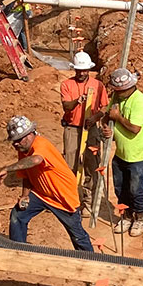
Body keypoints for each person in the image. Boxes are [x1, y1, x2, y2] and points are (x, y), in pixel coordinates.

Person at [0, 116, 94, 252]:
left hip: (62, 196)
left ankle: (90, 259)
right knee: (18, 215)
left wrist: (7, 168)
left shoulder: (41, 144)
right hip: (41, 194)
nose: (15, 144)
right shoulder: (23, 150)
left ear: (30, 134)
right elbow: (26, 173)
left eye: (18, 140)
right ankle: (18, 252)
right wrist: (24, 196)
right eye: (14, 141)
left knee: (77, 235)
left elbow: (35, 160)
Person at [105, 68, 143, 236]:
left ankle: (140, 216)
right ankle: (126, 215)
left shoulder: (140, 100)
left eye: (120, 91)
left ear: (130, 87)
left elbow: (134, 128)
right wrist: (107, 127)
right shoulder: (117, 97)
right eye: (115, 90)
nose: (117, 93)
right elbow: (108, 115)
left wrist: (118, 117)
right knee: (120, 188)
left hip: (138, 155)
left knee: (135, 189)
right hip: (121, 153)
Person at [59, 51, 107, 193]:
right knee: (70, 164)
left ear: (89, 69)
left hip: (91, 129)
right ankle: (72, 195)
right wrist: (77, 101)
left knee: (92, 164)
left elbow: (105, 107)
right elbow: (66, 106)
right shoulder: (67, 85)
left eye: (84, 70)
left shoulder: (98, 85)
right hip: (72, 129)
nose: (81, 73)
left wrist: (95, 117)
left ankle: (88, 197)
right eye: (79, 70)